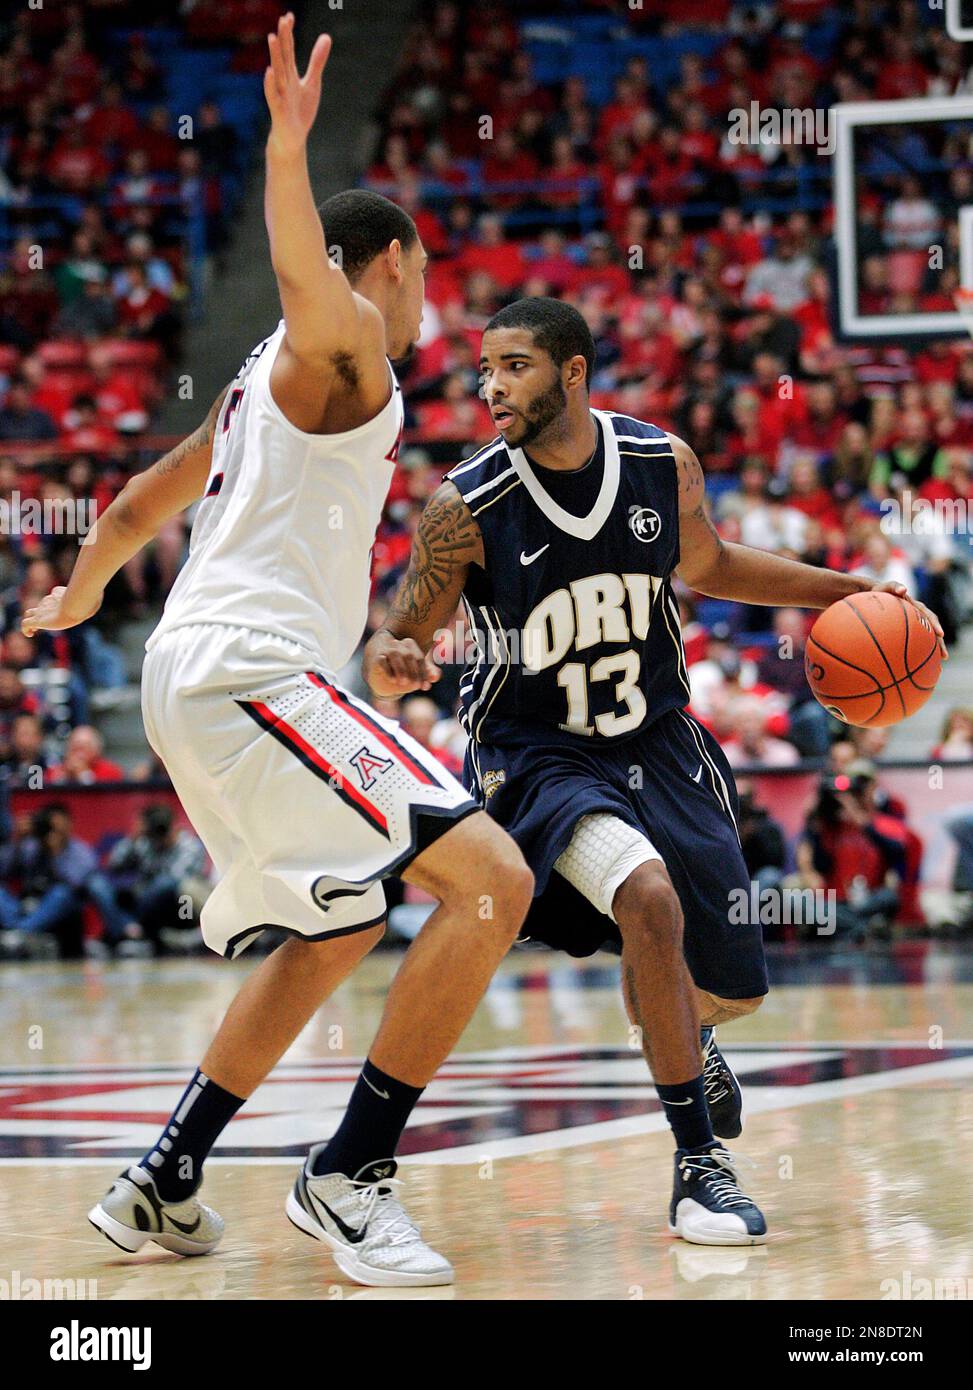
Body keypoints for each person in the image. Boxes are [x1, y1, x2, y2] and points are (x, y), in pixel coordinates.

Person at [22, 19, 532, 1289]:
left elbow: (145, 496)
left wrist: (77, 595)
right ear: (394, 267)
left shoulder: (256, 382)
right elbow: (310, 274)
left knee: (342, 917)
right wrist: (290, 150)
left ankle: (166, 1178)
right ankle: (347, 1177)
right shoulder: (339, 339)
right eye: (420, 278)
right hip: (246, 674)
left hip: (200, 677)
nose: (428, 308)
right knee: (489, 882)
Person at [364, 295, 946, 1246]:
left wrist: (846, 588)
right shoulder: (462, 506)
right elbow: (399, 636)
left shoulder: (657, 463)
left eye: (514, 366)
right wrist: (393, 660)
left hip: (661, 744)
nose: (490, 386)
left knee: (714, 983)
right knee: (648, 902)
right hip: (537, 753)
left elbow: (709, 566)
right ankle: (696, 1169)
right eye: (484, 368)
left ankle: (697, 1041)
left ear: (574, 372)